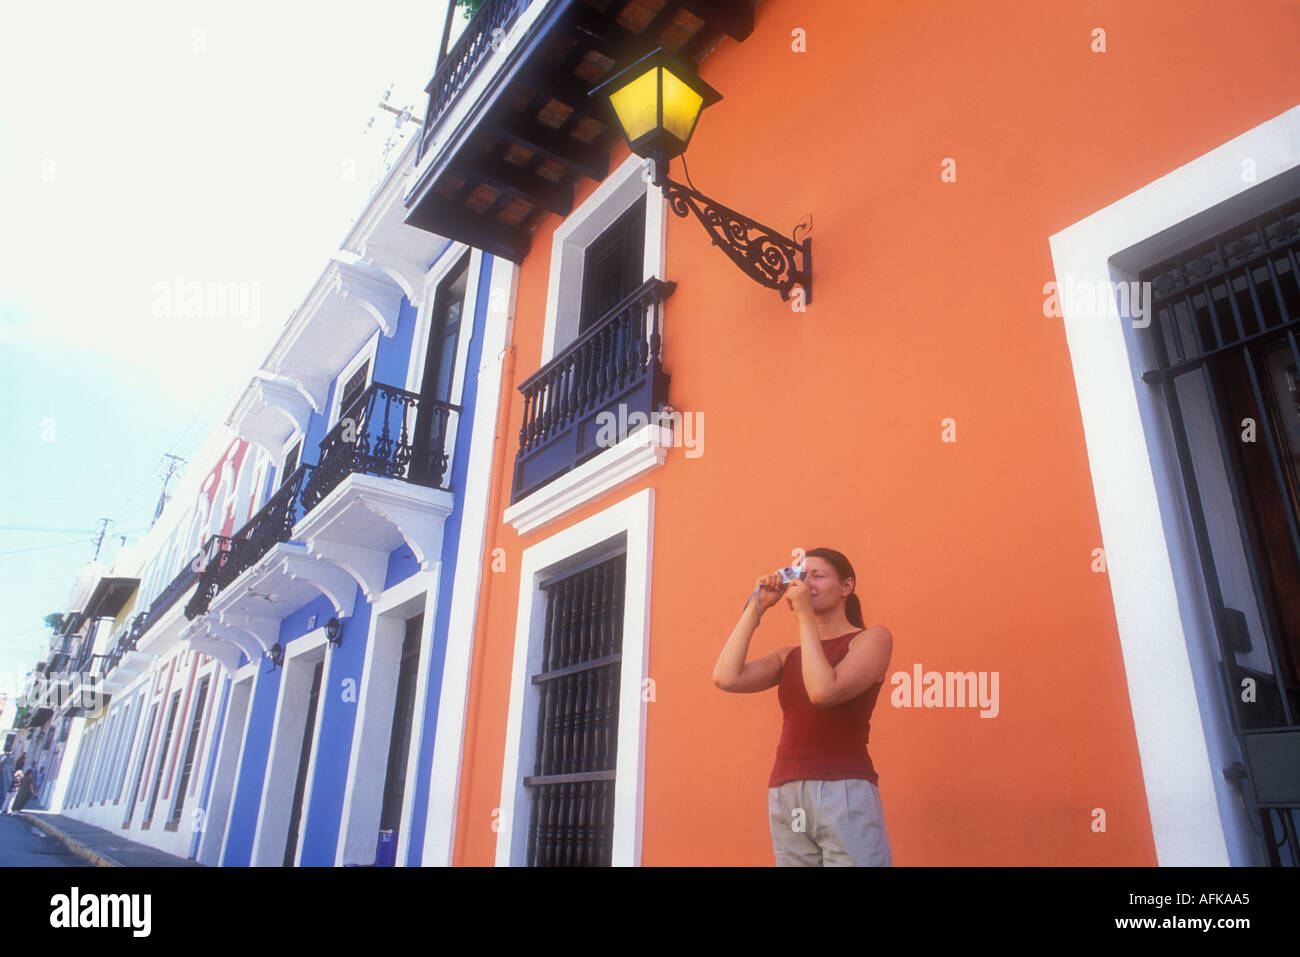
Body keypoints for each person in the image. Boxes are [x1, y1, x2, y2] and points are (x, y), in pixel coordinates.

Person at [713, 547, 894, 866]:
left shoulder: (872, 639)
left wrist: (804, 616)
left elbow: (824, 690)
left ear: (847, 587)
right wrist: (757, 607)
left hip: (844, 786)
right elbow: (726, 677)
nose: (806, 583)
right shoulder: (789, 656)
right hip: (786, 790)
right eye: (801, 575)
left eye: (819, 576)